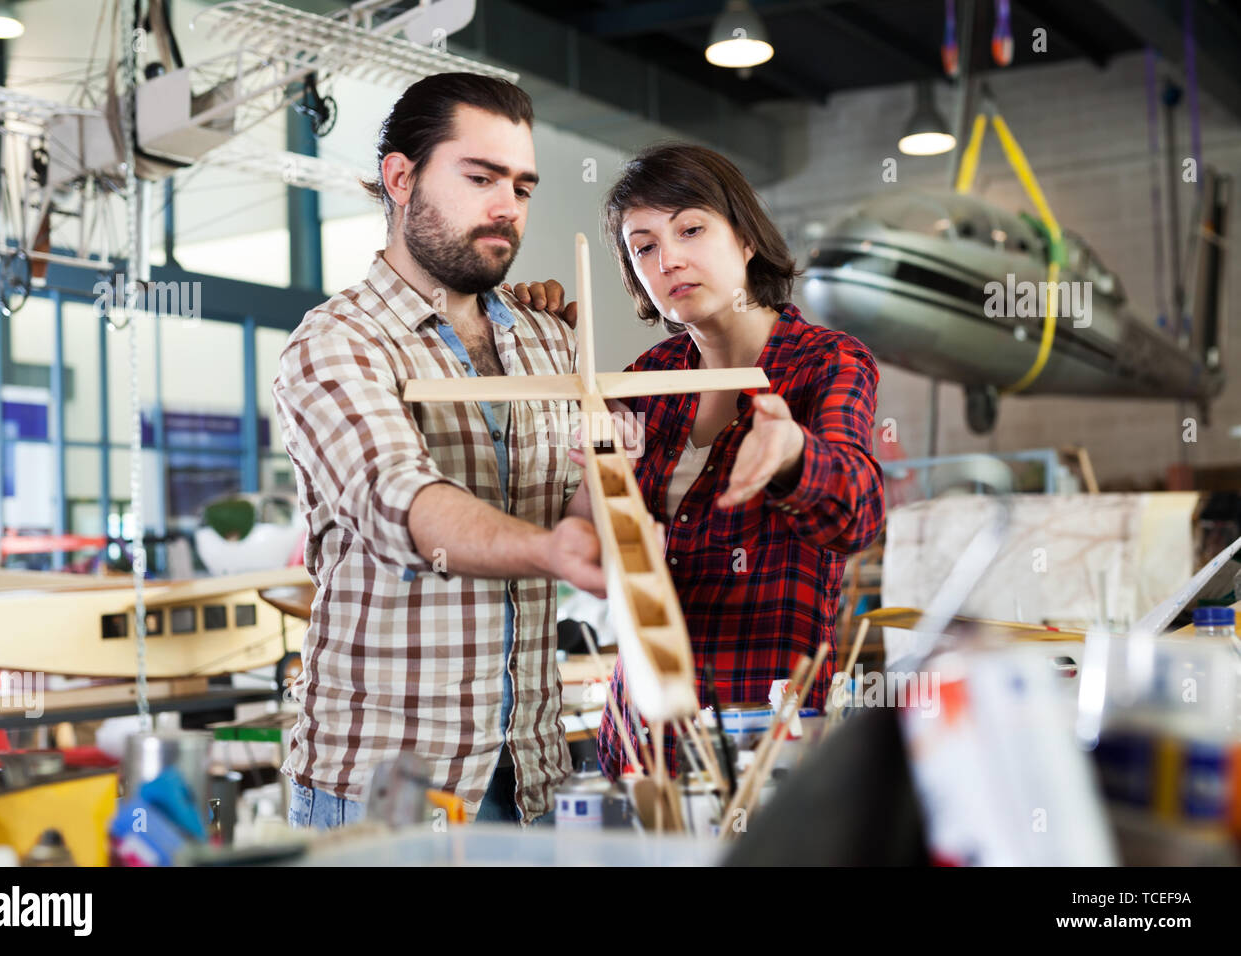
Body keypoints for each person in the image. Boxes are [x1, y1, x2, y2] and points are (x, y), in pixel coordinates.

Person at [273, 72, 604, 829]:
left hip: (534, 779)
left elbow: (579, 497)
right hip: (387, 794)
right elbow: (401, 501)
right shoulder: (335, 343)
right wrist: (555, 552)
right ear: (400, 177)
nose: (506, 208)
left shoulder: (550, 338)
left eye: (522, 187)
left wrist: (607, 495)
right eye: (480, 177)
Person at [514, 143, 885, 778]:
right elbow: (586, 537)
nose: (670, 259)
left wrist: (793, 454)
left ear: (744, 239)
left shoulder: (827, 362)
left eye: (691, 228)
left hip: (762, 743)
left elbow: (856, 519)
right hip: (640, 742)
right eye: (645, 246)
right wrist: (606, 478)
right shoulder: (645, 379)